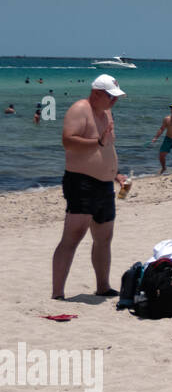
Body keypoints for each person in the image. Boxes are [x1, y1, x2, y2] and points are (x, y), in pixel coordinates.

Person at [52, 75, 128, 300]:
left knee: (104, 237)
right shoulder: (80, 109)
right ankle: (57, 293)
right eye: (110, 97)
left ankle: (103, 286)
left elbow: (106, 148)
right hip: (81, 182)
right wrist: (97, 143)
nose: (114, 102)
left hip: (105, 185)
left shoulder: (106, 112)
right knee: (73, 236)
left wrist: (116, 174)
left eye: (116, 98)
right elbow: (68, 141)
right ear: (96, 93)